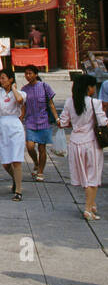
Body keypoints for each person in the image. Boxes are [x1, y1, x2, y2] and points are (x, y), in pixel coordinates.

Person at [56, 75, 106, 222]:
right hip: (91, 143)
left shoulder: (69, 102)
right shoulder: (94, 103)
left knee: (84, 175)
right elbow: (102, 122)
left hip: (75, 142)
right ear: (88, 88)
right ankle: (88, 209)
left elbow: (63, 122)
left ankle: (92, 204)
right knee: (93, 177)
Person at [0, 68, 27, 200]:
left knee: (16, 159)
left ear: (11, 79)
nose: (2, 80)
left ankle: (18, 190)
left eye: (4, 77)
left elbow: (19, 100)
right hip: (2, 125)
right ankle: (15, 179)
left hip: (15, 125)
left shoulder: (21, 93)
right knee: (6, 162)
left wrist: (14, 88)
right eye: (1, 78)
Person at [22, 66, 59, 183]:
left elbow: (51, 104)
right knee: (30, 146)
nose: (28, 76)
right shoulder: (24, 89)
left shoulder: (44, 86)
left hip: (44, 121)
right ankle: (36, 162)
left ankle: (41, 171)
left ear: (36, 74)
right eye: (26, 74)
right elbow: (23, 107)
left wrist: (57, 119)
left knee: (42, 148)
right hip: (30, 121)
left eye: (30, 73)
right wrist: (20, 118)